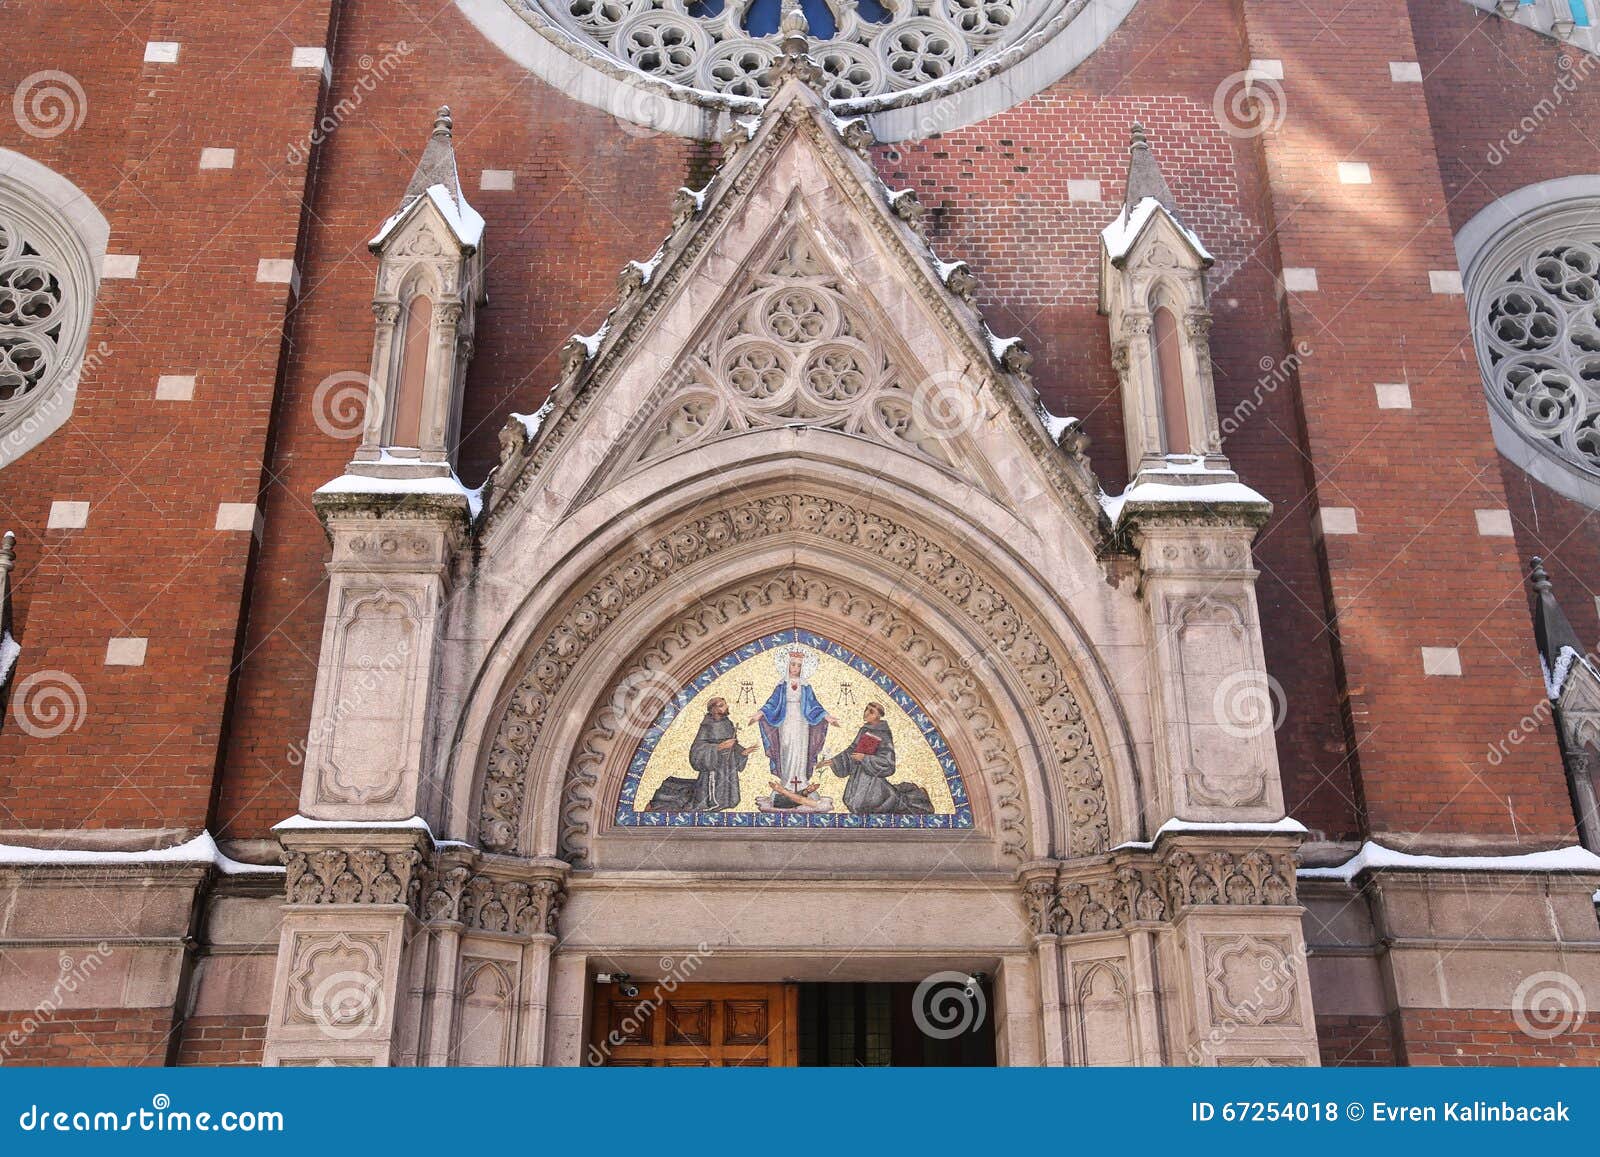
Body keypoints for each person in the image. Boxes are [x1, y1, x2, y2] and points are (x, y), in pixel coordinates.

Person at [752, 646, 839, 809]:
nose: (796, 668)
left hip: (802, 721)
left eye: (799, 665)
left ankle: (802, 781)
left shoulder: (806, 686)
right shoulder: (781, 685)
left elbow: (814, 705)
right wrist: (760, 713)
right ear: (787, 665)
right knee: (786, 747)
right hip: (785, 721)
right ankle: (786, 782)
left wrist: (827, 716)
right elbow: (772, 703)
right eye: (793, 665)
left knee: (801, 749)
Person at [645, 697, 755, 812]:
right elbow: (697, 749)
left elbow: (734, 745)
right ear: (713, 709)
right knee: (707, 799)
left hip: (728, 766)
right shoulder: (707, 726)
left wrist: (743, 752)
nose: (727, 706)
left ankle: (725, 800)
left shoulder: (728, 723)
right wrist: (718, 747)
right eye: (722, 705)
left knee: (728, 796)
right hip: (713, 767)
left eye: (725, 704)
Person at [824, 702, 934, 815]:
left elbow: (888, 761)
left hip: (872, 776)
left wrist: (865, 758)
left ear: (879, 715)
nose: (866, 712)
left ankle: (915, 798)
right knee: (850, 801)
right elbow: (852, 749)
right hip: (859, 774)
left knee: (862, 804)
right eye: (866, 709)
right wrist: (835, 761)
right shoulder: (864, 730)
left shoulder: (883, 733)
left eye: (871, 711)